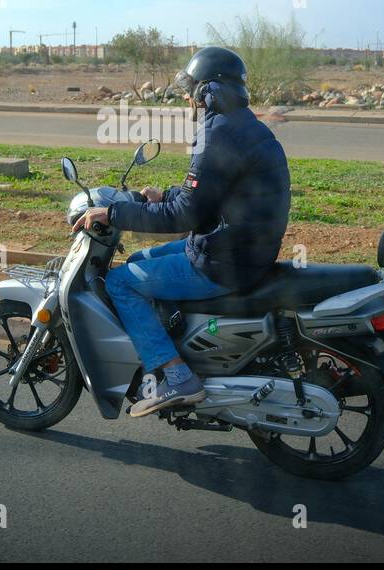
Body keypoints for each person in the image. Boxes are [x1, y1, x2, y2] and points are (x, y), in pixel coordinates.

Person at [70, 46, 291, 416]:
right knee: (139, 260)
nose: (188, 98)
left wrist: (114, 213)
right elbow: (206, 198)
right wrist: (163, 196)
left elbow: (183, 217)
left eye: (193, 90)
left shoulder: (217, 133)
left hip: (223, 263)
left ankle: (176, 376)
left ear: (209, 92)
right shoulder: (244, 126)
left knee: (122, 283)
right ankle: (180, 345)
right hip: (238, 249)